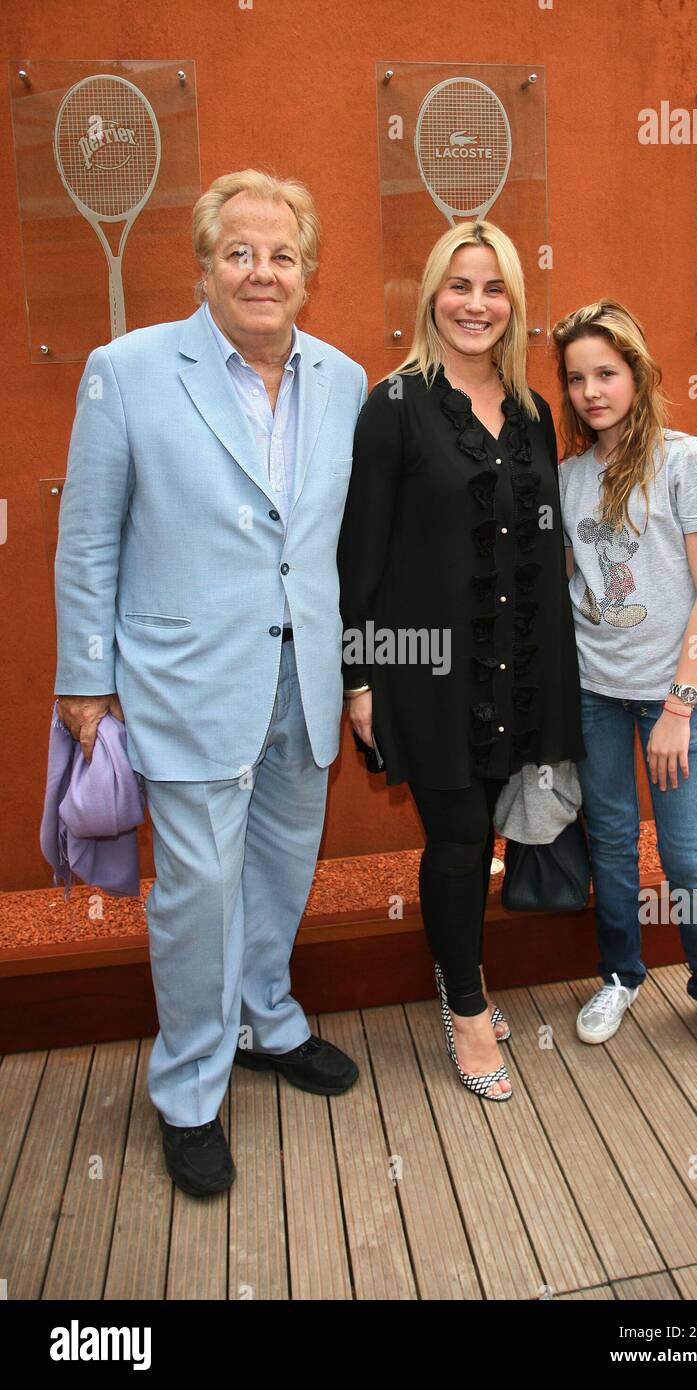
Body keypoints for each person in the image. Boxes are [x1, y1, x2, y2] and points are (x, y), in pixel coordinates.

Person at [53, 169, 368, 1197]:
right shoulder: (127, 369)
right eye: (239, 252)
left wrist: (361, 665)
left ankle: (266, 1022)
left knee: (281, 868)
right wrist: (84, 682)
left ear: (308, 273)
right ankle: (188, 1087)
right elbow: (89, 536)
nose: (261, 272)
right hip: (184, 682)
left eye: (281, 255)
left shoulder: (345, 378)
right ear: (203, 265)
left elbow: (334, 544)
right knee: (195, 894)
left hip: (301, 680)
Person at [338, 221, 585, 1101]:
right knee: (455, 837)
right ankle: (468, 1010)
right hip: (426, 671)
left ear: (513, 302)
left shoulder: (532, 412)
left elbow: (544, 549)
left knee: (487, 830)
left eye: (493, 288)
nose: (475, 304)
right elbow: (358, 554)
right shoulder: (393, 405)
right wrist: (360, 679)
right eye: (459, 285)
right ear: (431, 297)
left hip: (519, 667)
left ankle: (459, 975)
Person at [551, 298, 697, 1072]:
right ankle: (617, 974)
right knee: (607, 844)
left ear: (636, 374)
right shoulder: (569, 476)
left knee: (686, 855)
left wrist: (679, 704)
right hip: (594, 693)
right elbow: (566, 583)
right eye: (575, 379)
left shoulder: (684, 458)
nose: (590, 391)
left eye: (605, 373)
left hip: (672, 698)